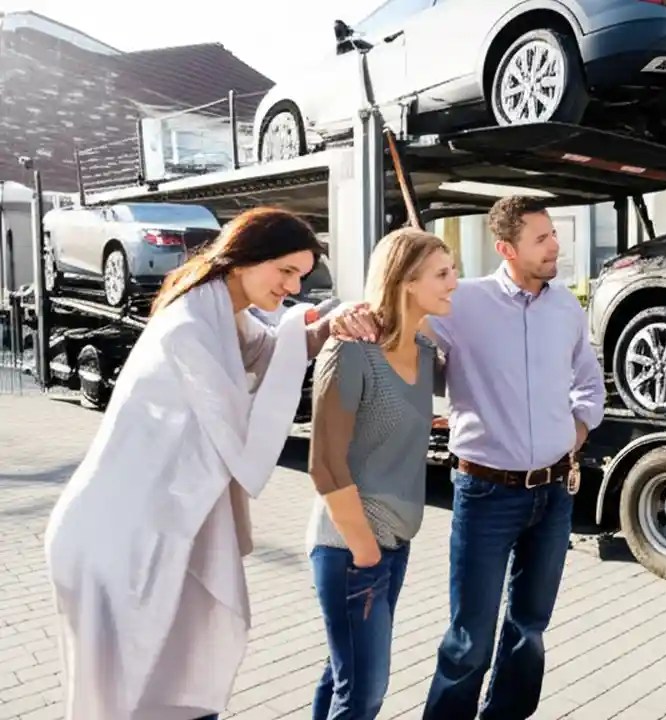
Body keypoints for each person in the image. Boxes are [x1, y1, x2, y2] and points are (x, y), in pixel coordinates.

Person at [42, 207, 377, 720]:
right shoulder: (189, 327)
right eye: (284, 271)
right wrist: (315, 328)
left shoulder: (224, 315)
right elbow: (240, 436)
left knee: (171, 686)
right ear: (244, 256)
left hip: (153, 530)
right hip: (117, 541)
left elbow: (272, 349)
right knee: (119, 700)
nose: (291, 288)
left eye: (301, 277)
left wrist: (329, 323)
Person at [422, 196, 605, 719]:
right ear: (506, 248)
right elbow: (401, 328)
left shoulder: (566, 306)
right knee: (469, 640)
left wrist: (571, 437)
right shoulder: (462, 302)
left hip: (552, 497)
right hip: (485, 494)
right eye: (542, 238)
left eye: (553, 234)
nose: (556, 246)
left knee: (529, 629)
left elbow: (589, 387)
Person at [306, 228, 457, 720]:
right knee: (365, 694)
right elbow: (324, 463)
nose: (454, 281)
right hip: (351, 548)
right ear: (406, 281)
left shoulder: (425, 350)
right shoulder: (350, 350)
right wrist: (365, 550)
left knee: (343, 674)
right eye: (443, 273)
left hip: (393, 544)